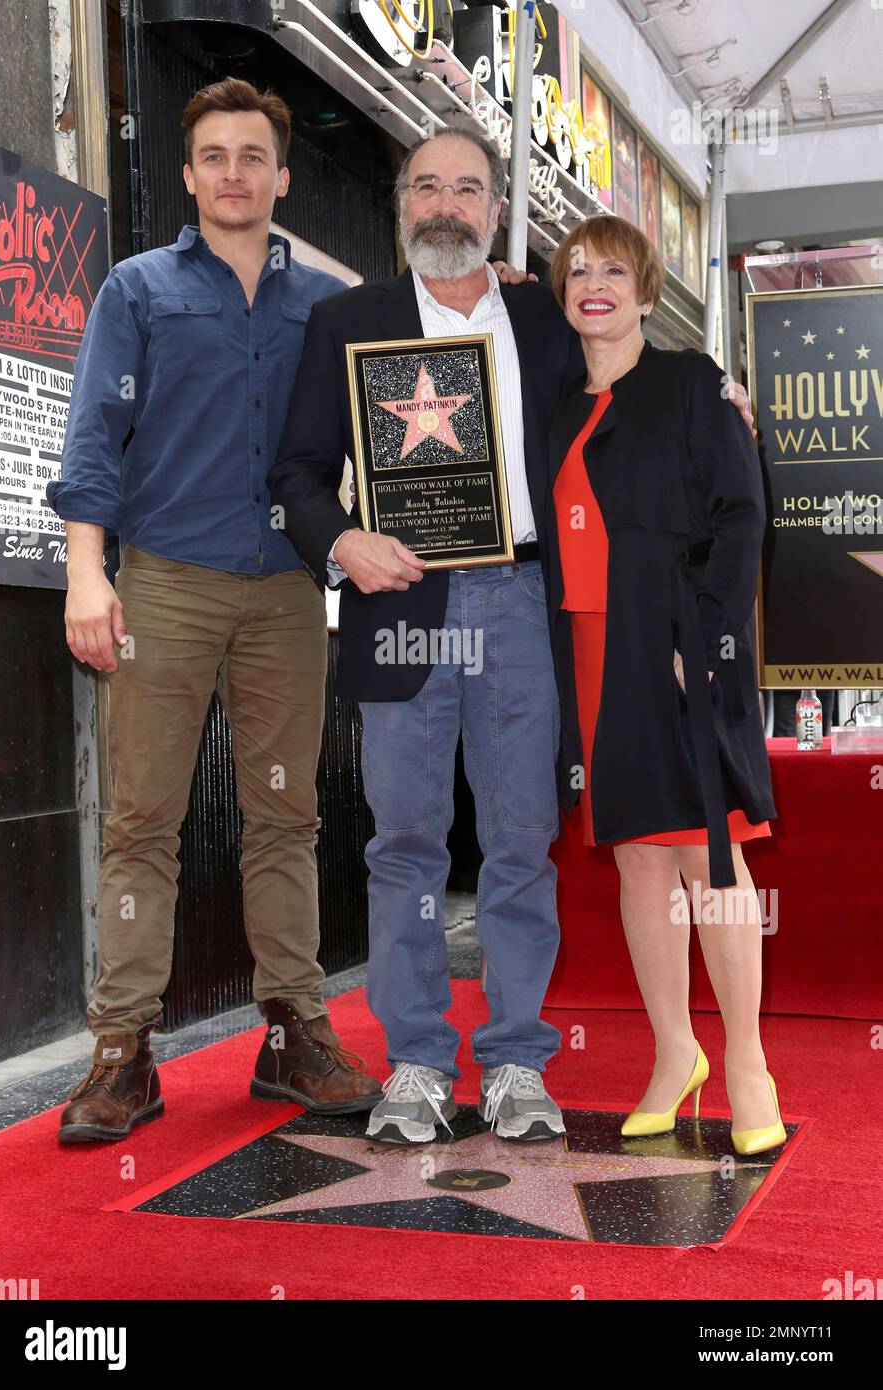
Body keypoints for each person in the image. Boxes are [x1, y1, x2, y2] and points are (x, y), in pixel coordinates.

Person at [268, 129, 757, 1146]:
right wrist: (344, 542)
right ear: (401, 203)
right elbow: (296, 474)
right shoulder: (342, 321)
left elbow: (632, 375)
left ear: (495, 212)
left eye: (468, 189)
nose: (445, 203)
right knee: (401, 839)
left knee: (520, 839)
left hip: (520, 606)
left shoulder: (541, 311)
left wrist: (717, 398)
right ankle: (413, 1059)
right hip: (399, 607)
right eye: (427, 185)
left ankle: (517, 1061)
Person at [47, 77, 383, 1143]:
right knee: (140, 820)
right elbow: (94, 438)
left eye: (253, 157)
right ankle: (124, 1052)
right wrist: (86, 575)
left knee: (285, 817)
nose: (234, 173)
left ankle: (292, 1030)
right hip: (164, 584)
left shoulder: (325, 310)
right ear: (187, 174)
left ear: (281, 178)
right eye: (215, 156)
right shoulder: (137, 291)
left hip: (288, 591)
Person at [542, 214, 786, 1157]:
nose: (592, 283)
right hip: (592, 657)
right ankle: (673, 1052)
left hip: (682, 648)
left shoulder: (692, 386)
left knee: (708, 857)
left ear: (646, 293)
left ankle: (749, 1065)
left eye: (614, 270)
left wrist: (711, 640)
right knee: (640, 859)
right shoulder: (564, 403)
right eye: (575, 271)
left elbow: (742, 516)